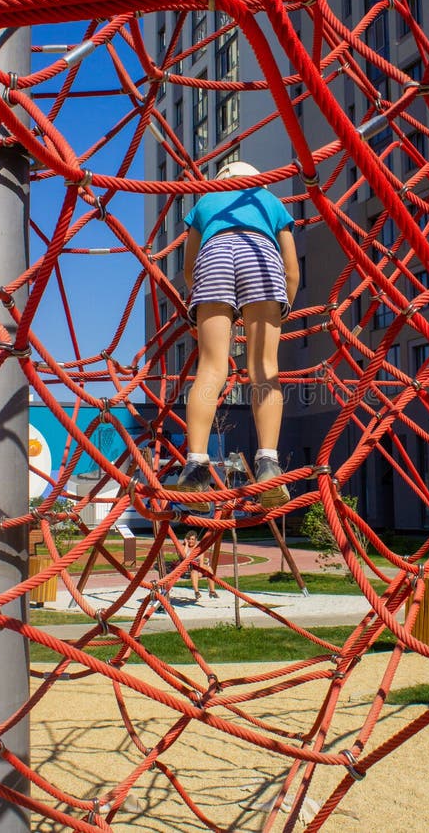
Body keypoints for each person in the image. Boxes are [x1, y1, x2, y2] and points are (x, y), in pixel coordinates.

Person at [174, 161, 299, 510]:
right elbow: (290, 265)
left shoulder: (206, 202)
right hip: (260, 255)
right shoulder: (267, 199)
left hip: (213, 257)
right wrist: (282, 304)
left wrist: (207, 302)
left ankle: (195, 464)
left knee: (211, 368)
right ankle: (268, 464)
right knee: (263, 366)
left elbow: (189, 266)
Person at [184, 530, 218, 600]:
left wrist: (200, 572)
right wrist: (186, 545)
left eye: (192, 539)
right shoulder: (184, 547)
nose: (191, 541)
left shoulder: (199, 548)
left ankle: (212, 591)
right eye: (189, 539)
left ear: (196, 540)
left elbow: (201, 564)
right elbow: (184, 557)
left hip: (198, 566)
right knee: (194, 572)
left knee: (209, 568)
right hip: (189, 567)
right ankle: (197, 592)